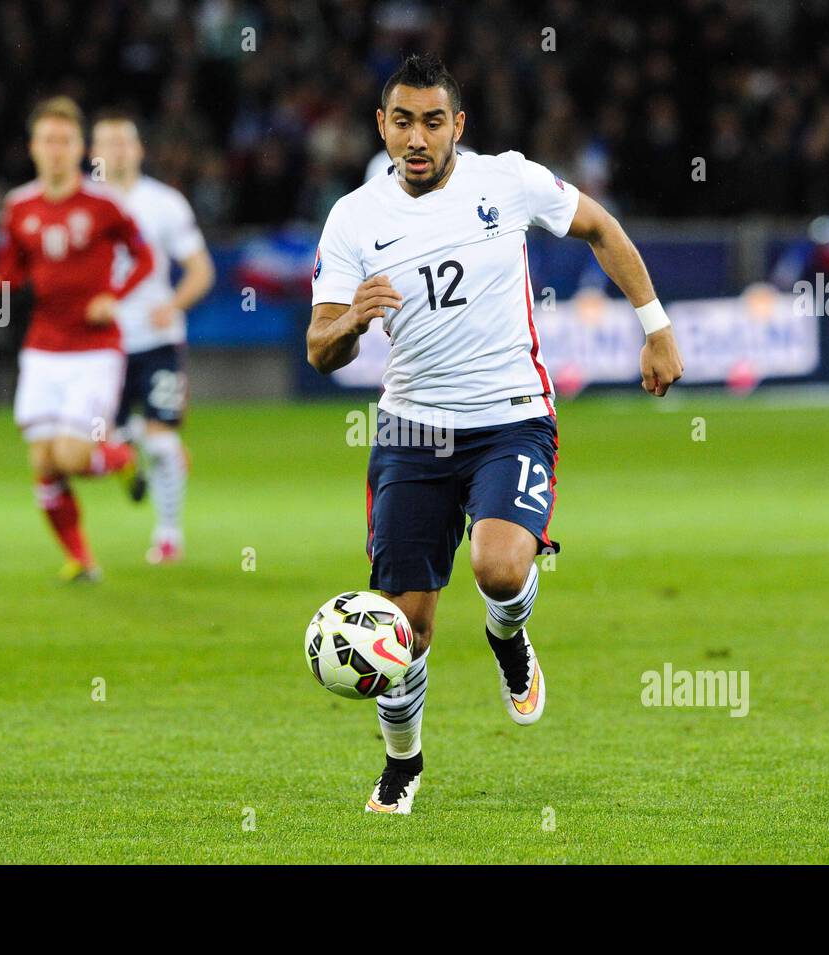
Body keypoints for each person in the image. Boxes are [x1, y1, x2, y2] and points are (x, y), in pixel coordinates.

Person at [306, 54, 684, 813]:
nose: (418, 137)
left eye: (433, 121)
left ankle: (509, 636)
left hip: (510, 414)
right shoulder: (354, 217)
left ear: (458, 127)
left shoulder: (505, 180)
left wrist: (656, 326)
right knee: (404, 627)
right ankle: (403, 764)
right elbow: (319, 349)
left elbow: (601, 227)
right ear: (382, 125)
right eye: (403, 121)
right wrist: (350, 319)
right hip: (412, 431)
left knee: (501, 568)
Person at [0, 96, 155, 582]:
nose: (56, 149)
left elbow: (143, 257)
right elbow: (12, 269)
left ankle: (117, 453)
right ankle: (82, 560)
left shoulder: (105, 205)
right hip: (43, 346)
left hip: (95, 348)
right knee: (42, 460)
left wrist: (114, 295)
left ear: (80, 147)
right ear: (33, 148)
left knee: (70, 455)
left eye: (65, 140)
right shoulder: (18, 207)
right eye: (48, 140)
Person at [89, 113, 216, 564]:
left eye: (126, 141)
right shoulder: (84, 204)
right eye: (108, 141)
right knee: (99, 442)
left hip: (157, 341)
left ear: (139, 150)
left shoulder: (165, 203)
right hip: (101, 345)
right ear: (94, 153)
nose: (118, 150)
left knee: (161, 443)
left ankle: (168, 536)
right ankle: (132, 438)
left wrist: (173, 305)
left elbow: (201, 270)